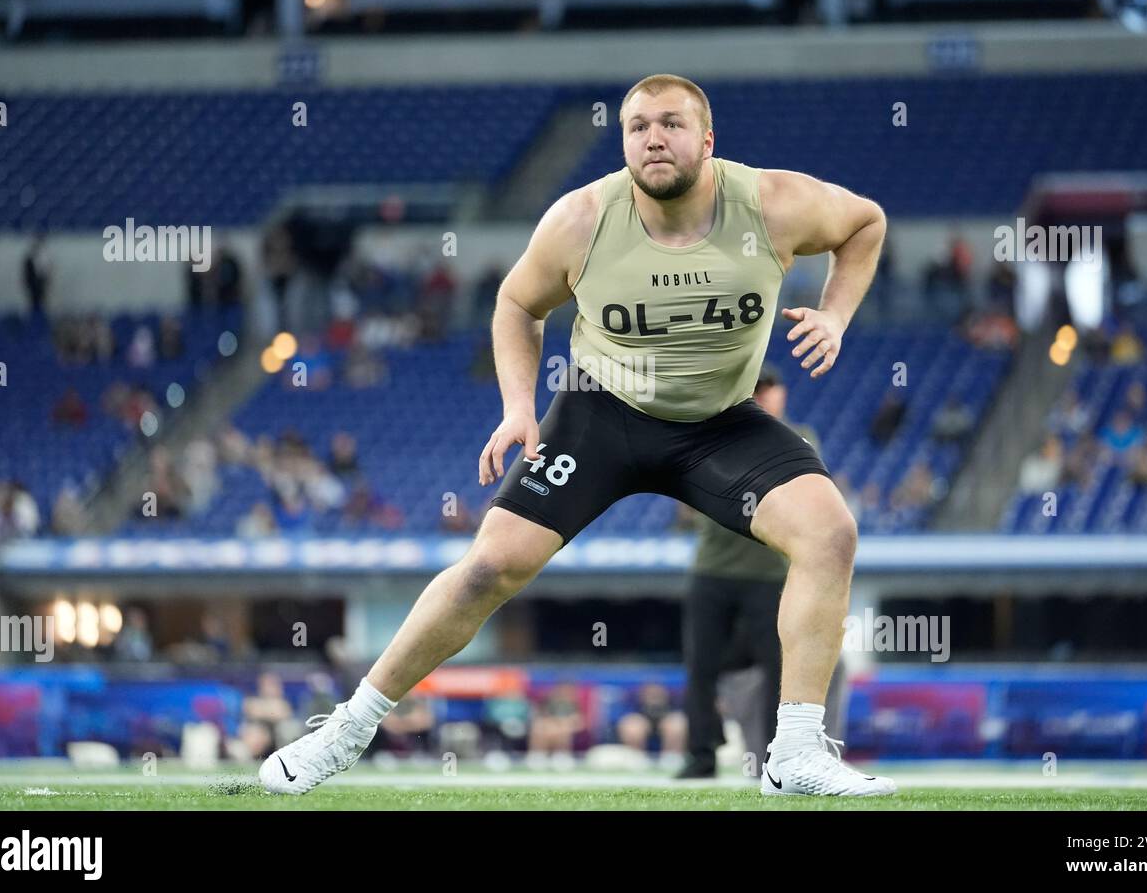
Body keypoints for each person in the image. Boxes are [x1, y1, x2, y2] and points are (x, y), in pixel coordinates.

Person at [260, 72, 894, 797]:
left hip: (721, 420)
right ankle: (347, 728)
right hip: (603, 413)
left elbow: (865, 223)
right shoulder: (583, 219)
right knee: (489, 567)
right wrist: (516, 407)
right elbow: (516, 304)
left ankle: (796, 752)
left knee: (831, 533)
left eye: (673, 124)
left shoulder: (773, 204)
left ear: (708, 141)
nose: (654, 138)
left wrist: (836, 316)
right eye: (638, 126)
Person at [676, 366, 844, 780]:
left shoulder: (797, 438)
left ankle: (775, 758)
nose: (767, 397)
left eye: (772, 389)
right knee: (700, 665)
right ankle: (701, 755)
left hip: (770, 573)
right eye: (758, 389)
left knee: (778, 668)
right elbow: (687, 499)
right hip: (713, 569)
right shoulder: (713, 430)